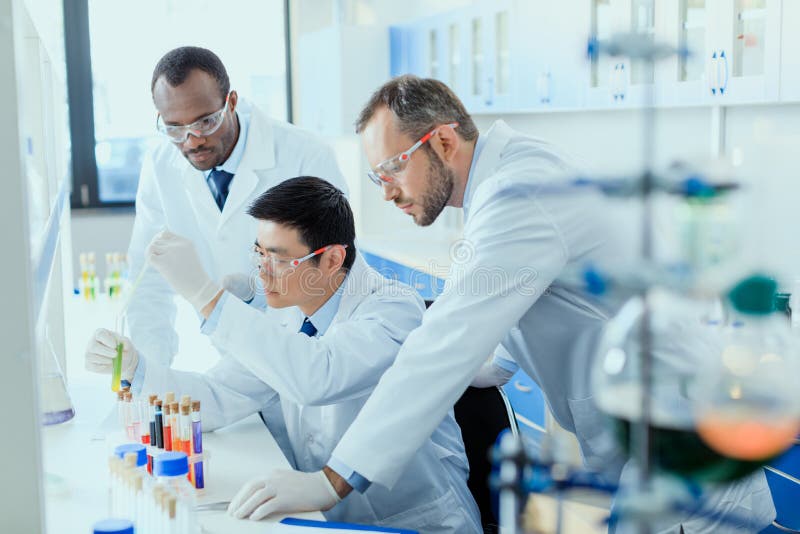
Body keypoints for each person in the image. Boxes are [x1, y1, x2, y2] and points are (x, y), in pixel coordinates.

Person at [237, 76, 776, 533]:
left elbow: (447, 344)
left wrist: (334, 479)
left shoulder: (520, 195)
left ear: (443, 141)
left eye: (391, 170)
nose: (386, 192)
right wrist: (449, 356)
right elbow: (504, 332)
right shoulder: (506, 186)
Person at [86, 177, 481, 533]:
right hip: (325, 519)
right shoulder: (289, 314)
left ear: (331, 259)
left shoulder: (394, 311)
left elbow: (318, 377)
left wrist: (208, 298)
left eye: (278, 259)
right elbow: (220, 396)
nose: (262, 272)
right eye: (259, 253)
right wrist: (138, 370)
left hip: (414, 522)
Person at [100, 46, 348, 370]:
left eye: (206, 122)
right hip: (229, 364)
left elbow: (333, 277)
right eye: (174, 128)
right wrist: (150, 375)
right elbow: (148, 282)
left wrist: (258, 300)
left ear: (231, 102)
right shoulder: (161, 166)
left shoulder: (305, 156)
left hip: (303, 358)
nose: (192, 140)